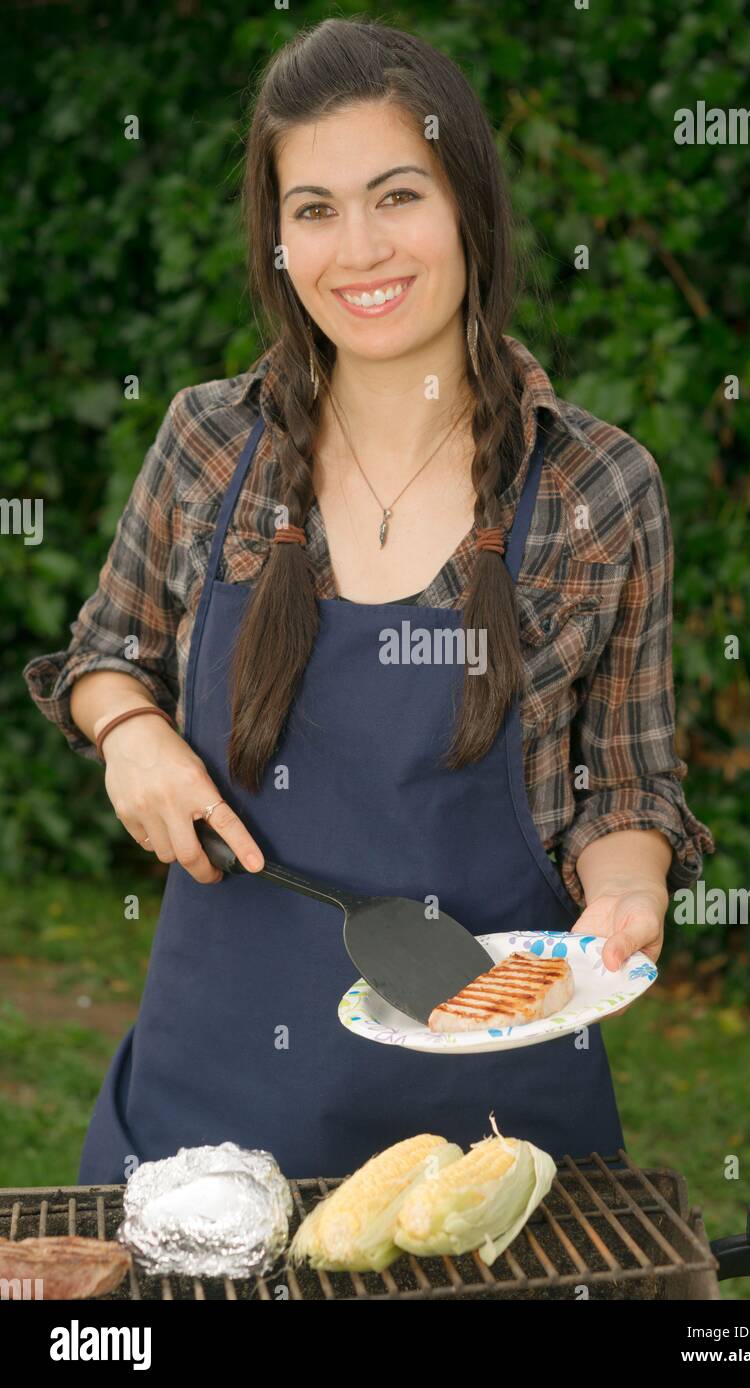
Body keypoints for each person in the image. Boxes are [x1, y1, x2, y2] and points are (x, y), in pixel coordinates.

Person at [23, 18, 714, 1185]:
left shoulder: (599, 489)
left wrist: (627, 888)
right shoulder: (209, 442)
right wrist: (128, 731)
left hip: (490, 1125)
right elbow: (109, 650)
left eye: (396, 195)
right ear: (277, 238)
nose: (358, 250)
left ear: (467, 208)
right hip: (211, 1116)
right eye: (313, 210)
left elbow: (628, 784)